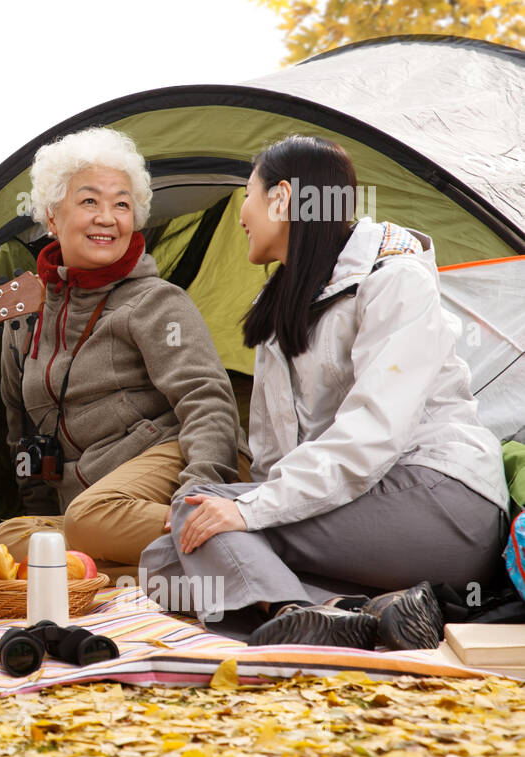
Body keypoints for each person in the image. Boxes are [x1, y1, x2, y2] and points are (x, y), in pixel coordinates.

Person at [139, 135, 510, 649]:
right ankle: (367, 612)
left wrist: (250, 511)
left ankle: (300, 610)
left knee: (199, 520)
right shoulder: (281, 304)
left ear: (282, 199)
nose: (241, 214)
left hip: (442, 502)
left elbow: (372, 434)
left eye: (248, 195)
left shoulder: (394, 277)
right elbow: (275, 459)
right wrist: (255, 512)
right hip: (360, 519)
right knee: (166, 559)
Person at [0, 127, 244, 580]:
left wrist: (201, 497)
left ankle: (240, 541)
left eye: (122, 204)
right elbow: (20, 435)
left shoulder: (156, 302)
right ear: (51, 217)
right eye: (89, 201)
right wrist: (42, 511)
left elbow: (207, 401)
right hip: (94, 506)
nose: (107, 217)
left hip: (172, 461)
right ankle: (151, 569)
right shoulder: (24, 315)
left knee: (87, 522)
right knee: (7, 538)